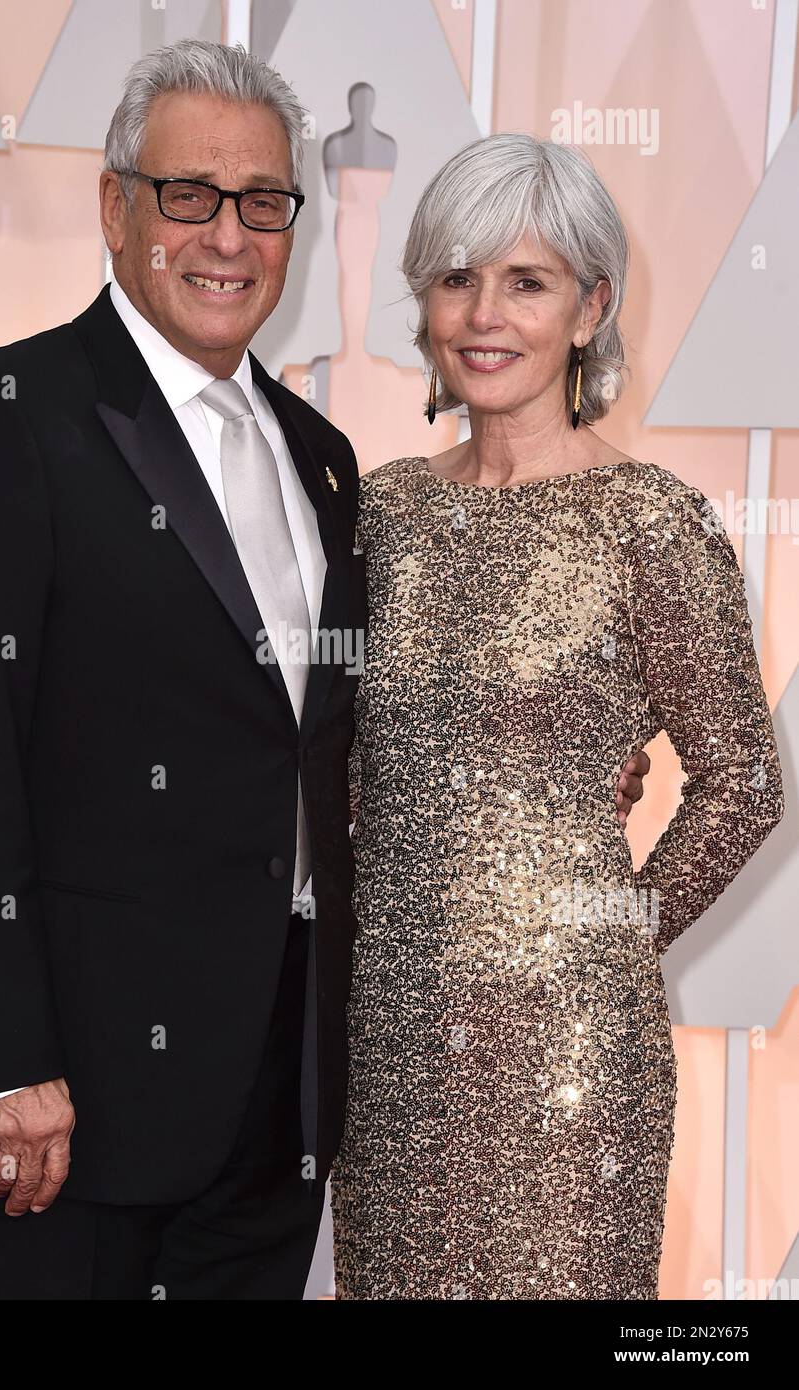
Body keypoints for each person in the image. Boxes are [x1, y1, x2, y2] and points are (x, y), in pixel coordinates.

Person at [0, 43, 647, 1300]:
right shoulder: (1, 415)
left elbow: (336, 738)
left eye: (264, 202)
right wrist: (1, 1061)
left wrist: (544, 773)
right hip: (57, 1124)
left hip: (272, 1119)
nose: (228, 236)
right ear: (116, 207)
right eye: (189, 194)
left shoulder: (325, 462)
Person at [329, 132, 784, 1300]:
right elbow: (331, 759)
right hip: (389, 1041)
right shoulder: (377, 515)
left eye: (526, 282)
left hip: (574, 1052)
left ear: (592, 308)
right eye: (457, 277)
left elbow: (744, 778)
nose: (485, 315)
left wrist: (612, 935)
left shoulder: (651, 523)